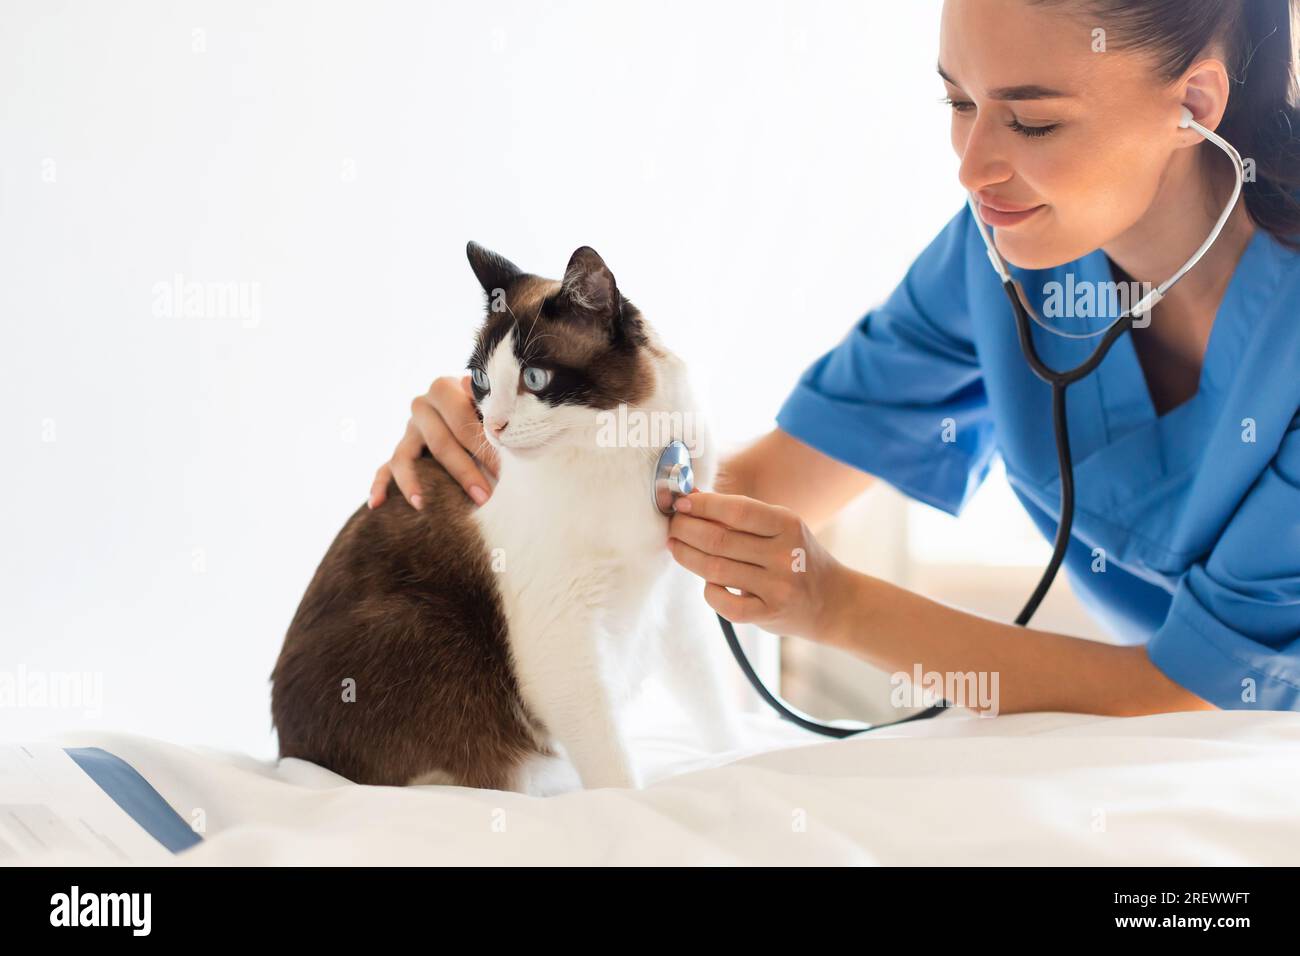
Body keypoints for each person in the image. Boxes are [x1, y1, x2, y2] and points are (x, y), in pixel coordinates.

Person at [370, 0, 1300, 717]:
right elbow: (756, 489)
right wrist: (501, 475)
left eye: (1033, 123)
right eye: (958, 102)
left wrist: (834, 609)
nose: (972, 168)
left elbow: (1194, 692)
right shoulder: (999, 255)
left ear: (1195, 104)